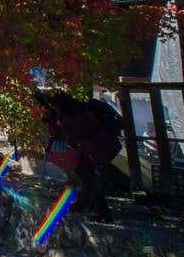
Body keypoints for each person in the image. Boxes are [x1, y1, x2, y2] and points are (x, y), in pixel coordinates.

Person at [37, 90, 123, 222]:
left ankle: (98, 211)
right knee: (88, 178)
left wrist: (52, 122)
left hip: (94, 148)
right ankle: (93, 208)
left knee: (88, 178)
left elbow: (67, 134)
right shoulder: (78, 108)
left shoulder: (71, 116)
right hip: (97, 146)